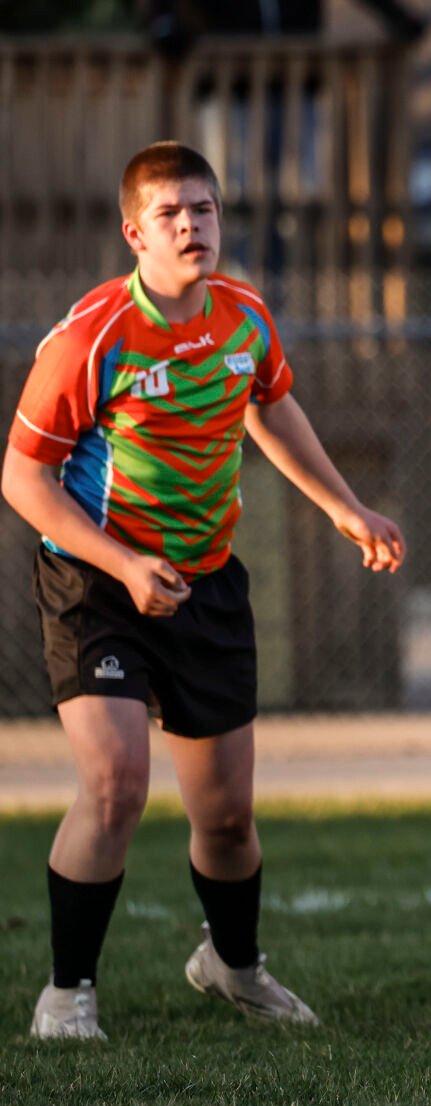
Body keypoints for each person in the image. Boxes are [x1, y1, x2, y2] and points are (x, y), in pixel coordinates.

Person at [2, 142, 405, 1039]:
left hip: (206, 583)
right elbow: (23, 479)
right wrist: (123, 565)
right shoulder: (92, 336)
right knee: (114, 785)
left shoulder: (244, 319)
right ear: (134, 231)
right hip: (97, 582)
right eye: (173, 214)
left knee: (225, 817)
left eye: (206, 210)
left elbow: (270, 403)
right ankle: (66, 994)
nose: (193, 226)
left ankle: (231, 964)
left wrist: (343, 506)